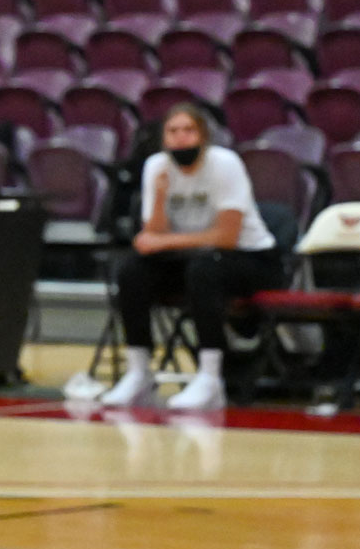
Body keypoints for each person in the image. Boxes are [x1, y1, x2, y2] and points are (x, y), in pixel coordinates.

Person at [97, 103, 283, 411]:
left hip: (251, 259)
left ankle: (211, 378)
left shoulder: (225, 164)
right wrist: (158, 198)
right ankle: (139, 373)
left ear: (203, 136)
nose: (181, 138)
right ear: (164, 139)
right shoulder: (156, 166)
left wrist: (164, 240)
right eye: (173, 131)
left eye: (189, 130)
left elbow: (226, 237)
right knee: (132, 271)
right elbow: (151, 234)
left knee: (204, 269)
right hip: (192, 260)